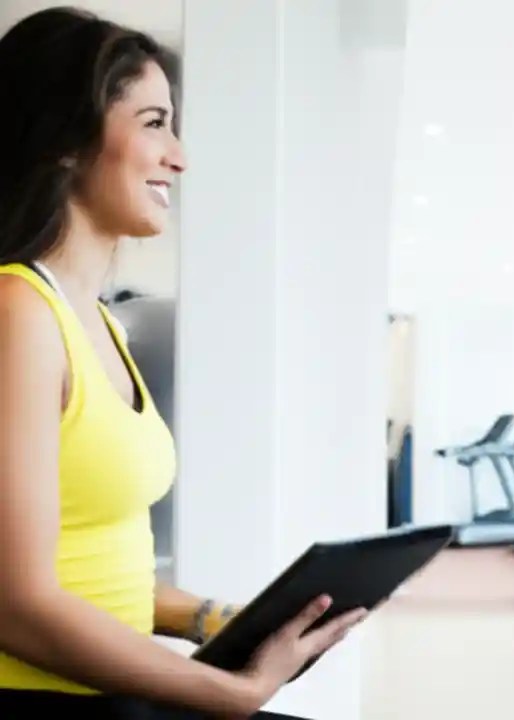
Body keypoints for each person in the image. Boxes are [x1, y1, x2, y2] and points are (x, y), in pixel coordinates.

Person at [0, 8, 366, 719]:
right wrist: (231, 693)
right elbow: (17, 605)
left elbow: (99, 566)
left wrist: (218, 619)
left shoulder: (97, 321)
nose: (180, 154)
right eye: (153, 122)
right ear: (65, 141)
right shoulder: (17, 314)